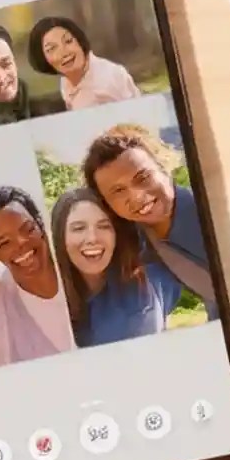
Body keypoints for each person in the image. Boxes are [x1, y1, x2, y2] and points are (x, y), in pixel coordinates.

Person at [82, 125, 219, 319]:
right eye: (118, 191)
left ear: (164, 168)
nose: (137, 196)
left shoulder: (213, 209)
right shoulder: (136, 244)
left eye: (143, 177)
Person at [51, 188, 184, 347]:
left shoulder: (147, 283)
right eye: (79, 228)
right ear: (61, 238)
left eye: (104, 226)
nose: (92, 238)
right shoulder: (50, 302)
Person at [0, 186, 77, 367]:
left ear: (40, 224)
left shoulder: (77, 266)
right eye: (5, 242)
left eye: (27, 229)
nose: (21, 243)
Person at [28, 16, 142, 111]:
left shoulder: (106, 81)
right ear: (42, 58)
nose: (64, 52)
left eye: (68, 41)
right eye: (52, 49)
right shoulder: (67, 80)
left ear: (79, 41)